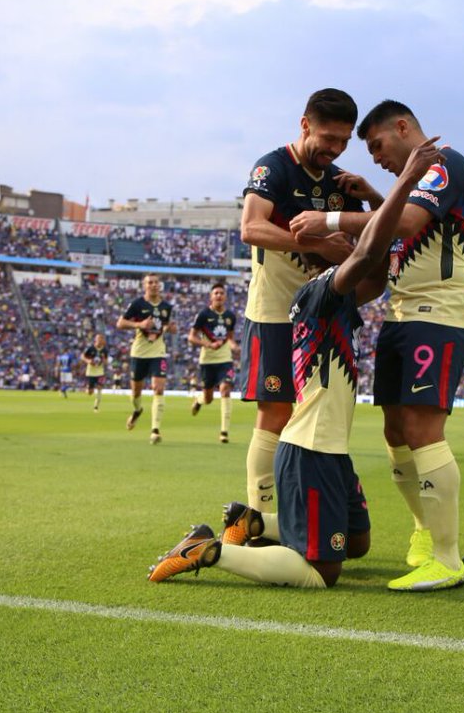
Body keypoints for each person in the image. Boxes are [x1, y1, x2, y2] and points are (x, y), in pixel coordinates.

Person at [148, 135, 443, 589]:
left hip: (331, 450)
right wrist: (405, 178)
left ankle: (255, 522)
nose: (350, 241)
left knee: (357, 543)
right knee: (323, 572)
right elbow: (367, 254)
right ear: (326, 250)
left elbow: (378, 270)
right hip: (310, 450)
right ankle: (209, 550)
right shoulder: (320, 294)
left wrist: (372, 198)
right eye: (343, 238)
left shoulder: (330, 294)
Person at [289, 100, 464, 592]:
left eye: (376, 145)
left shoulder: (443, 162)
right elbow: (394, 222)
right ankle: (424, 532)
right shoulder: (408, 183)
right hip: (403, 314)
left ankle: (447, 557)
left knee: (421, 428)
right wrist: (376, 195)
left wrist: (327, 222)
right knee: (395, 432)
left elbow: (407, 224)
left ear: (403, 127)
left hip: (437, 315)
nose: (374, 157)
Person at [237, 88, 377, 514]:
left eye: (343, 141)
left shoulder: (341, 183)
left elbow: (374, 238)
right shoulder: (273, 167)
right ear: (305, 125)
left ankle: (302, 514)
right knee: (275, 415)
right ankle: (258, 519)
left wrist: (369, 194)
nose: (334, 149)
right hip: (276, 313)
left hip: (325, 319)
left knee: (319, 420)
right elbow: (251, 228)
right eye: (328, 138)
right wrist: (316, 241)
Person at [116, 273, 176, 444]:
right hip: (139, 353)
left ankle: (155, 430)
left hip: (158, 353)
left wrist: (171, 328)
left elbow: (167, 326)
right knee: (136, 392)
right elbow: (120, 323)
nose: (154, 285)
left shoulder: (166, 307)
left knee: (158, 388)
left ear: (160, 285)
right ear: (145, 286)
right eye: (150, 282)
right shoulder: (137, 304)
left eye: (156, 282)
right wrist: (139, 325)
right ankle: (137, 410)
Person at [188, 282, 238, 443]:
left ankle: (224, 432)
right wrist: (209, 344)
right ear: (211, 296)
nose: (218, 295)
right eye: (215, 293)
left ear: (225, 296)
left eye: (221, 293)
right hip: (207, 361)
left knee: (225, 390)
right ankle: (199, 400)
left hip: (225, 360)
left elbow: (229, 338)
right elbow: (192, 337)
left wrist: (235, 347)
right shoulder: (203, 315)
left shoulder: (230, 316)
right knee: (208, 399)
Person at [81, 333, 110, 412]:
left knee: (100, 388)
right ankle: (87, 389)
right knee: (90, 392)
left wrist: (105, 361)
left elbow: (106, 361)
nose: (100, 340)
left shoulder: (105, 350)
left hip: (100, 372)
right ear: (96, 340)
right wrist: (88, 361)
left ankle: (96, 407)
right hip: (91, 372)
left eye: (102, 339)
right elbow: (83, 356)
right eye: (99, 339)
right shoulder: (90, 348)